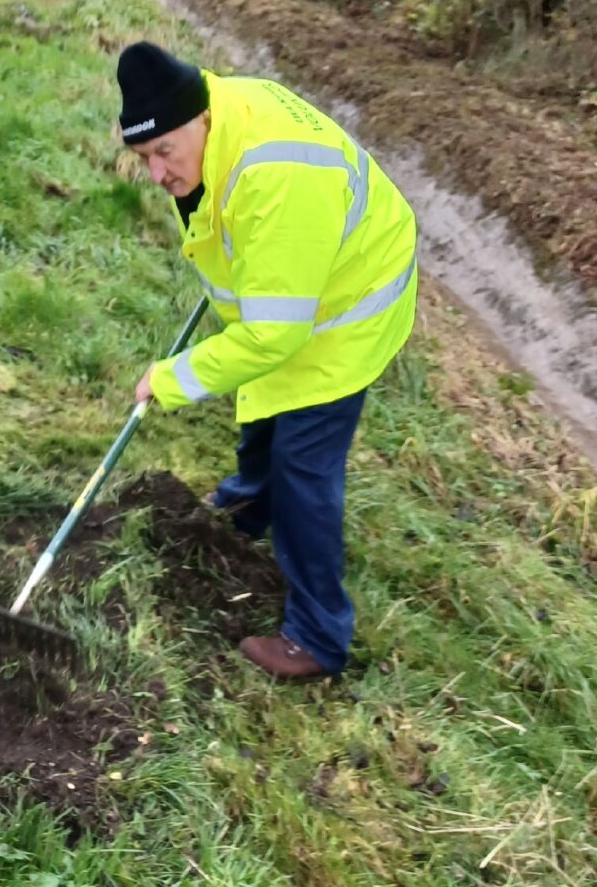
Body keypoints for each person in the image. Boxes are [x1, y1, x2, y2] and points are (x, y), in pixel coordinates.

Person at [118, 42, 417, 680]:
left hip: (351, 306)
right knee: (264, 404)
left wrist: (170, 379)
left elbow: (274, 339)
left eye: (164, 152)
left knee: (302, 464)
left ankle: (317, 638)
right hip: (301, 283)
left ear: (198, 121)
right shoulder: (216, 114)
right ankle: (248, 508)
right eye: (143, 158)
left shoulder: (275, 175)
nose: (155, 174)